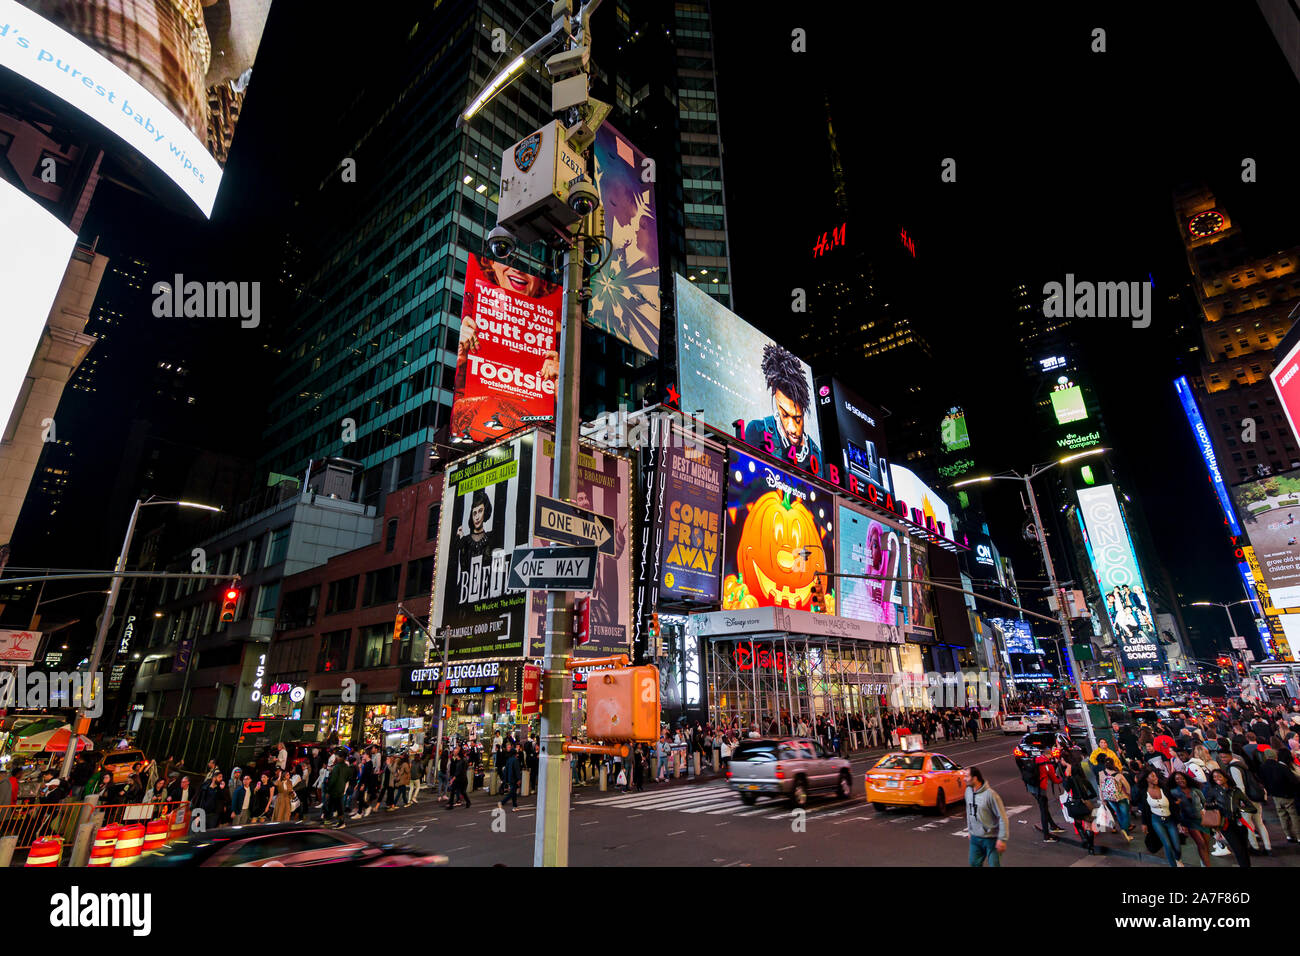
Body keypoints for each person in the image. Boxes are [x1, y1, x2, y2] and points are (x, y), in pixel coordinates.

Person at [741, 343, 822, 466]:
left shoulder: (817, 456)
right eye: (785, 415)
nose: (792, 428)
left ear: (804, 410)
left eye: (797, 419)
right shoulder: (757, 431)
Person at [1205, 767, 1255, 867]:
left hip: (1239, 823)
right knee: (1238, 850)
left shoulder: (1236, 791)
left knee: (1244, 849)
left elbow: (1252, 808)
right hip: (1225, 824)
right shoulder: (1213, 791)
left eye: (1219, 776)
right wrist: (1215, 831)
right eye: (1214, 777)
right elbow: (1208, 808)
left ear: (1226, 778)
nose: (1216, 778)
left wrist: (1240, 809)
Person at [964, 766, 1009, 866]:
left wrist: (1002, 839)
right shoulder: (968, 792)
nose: (964, 779)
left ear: (975, 778)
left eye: (967, 776)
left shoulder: (991, 795)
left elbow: (1002, 817)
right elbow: (969, 811)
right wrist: (970, 830)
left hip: (991, 839)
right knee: (974, 863)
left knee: (994, 864)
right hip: (975, 838)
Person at [1169, 770, 1213, 867]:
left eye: (1182, 778)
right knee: (1201, 843)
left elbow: (1204, 803)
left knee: (1205, 845)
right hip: (1189, 821)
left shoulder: (1195, 789)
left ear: (1186, 779)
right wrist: (1179, 823)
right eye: (1177, 779)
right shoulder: (1174, 792)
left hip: (1202, 820)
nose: (1180, 780)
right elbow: (1173, 808)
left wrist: (1208, 812)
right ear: (1174, 781)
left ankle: (1204, 863)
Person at [1258, 747, 1300, 844]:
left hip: (1275, 796)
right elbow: (1293, 780)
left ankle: (1288, 835)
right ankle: (1298, 836)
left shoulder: (1262, 767)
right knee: (1294, 816)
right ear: (1275, 756)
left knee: (1282, 816)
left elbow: (1263, 780)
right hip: (1287, 795)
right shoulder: (1281, 767)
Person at [1021, 748, 1064, 843]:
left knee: (1044, 807)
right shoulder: (1047, 765)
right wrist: (1063, 778)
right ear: (1048, 755)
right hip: (1041, 789)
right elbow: (1055, 780)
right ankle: (1046, 835)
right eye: (1051, 756)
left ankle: (1053, 826)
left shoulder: (1036, 760)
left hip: (1032, 788)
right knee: (1043, 810)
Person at [1062, 752, 1098, 853]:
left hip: (1076, 803)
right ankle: (1091, 848)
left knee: (1078, 823)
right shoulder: (1084, 779)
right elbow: (1093, 793)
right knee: (1088, 825)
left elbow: (1066, 788)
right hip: (1087, 802)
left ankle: (1085, 839)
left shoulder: (1071, 779)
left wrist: (1067, 776)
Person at [1145, 770, 1182, 867]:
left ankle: (1178, 859)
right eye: (1152, 776)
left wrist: (1179, 822)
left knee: (1177, 847)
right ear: (1146, 779)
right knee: (1167, 845)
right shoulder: (1144, 792)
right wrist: (1144, 823)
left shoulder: (1164, 788)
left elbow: (1173, 804)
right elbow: (1145, 809)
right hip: (1156, 821)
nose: (1155, 778)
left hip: (1170, 820)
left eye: (1156, 776)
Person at [1098, 755, 1132, 842]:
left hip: (1109, 798)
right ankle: (1126, 832)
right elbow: (1127, 786)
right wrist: (1128, 794)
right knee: (1125, 814)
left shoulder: (1101, 774)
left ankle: (1123, 830)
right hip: (1120, 797)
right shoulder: (1118, 775)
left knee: (1118, 813)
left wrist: (1103, 799)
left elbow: (1101, 787)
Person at [499, 742, 522, 811]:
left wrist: (505, 780)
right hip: (514, 779)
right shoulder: (515, 760)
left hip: (510, 778)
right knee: (512, 793)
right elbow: (517, 770)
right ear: (515, 754)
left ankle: (515, 806)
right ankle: (502, 802)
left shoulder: (509, 760)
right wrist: (519, 779)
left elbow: (506, 770)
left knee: (513, 792)